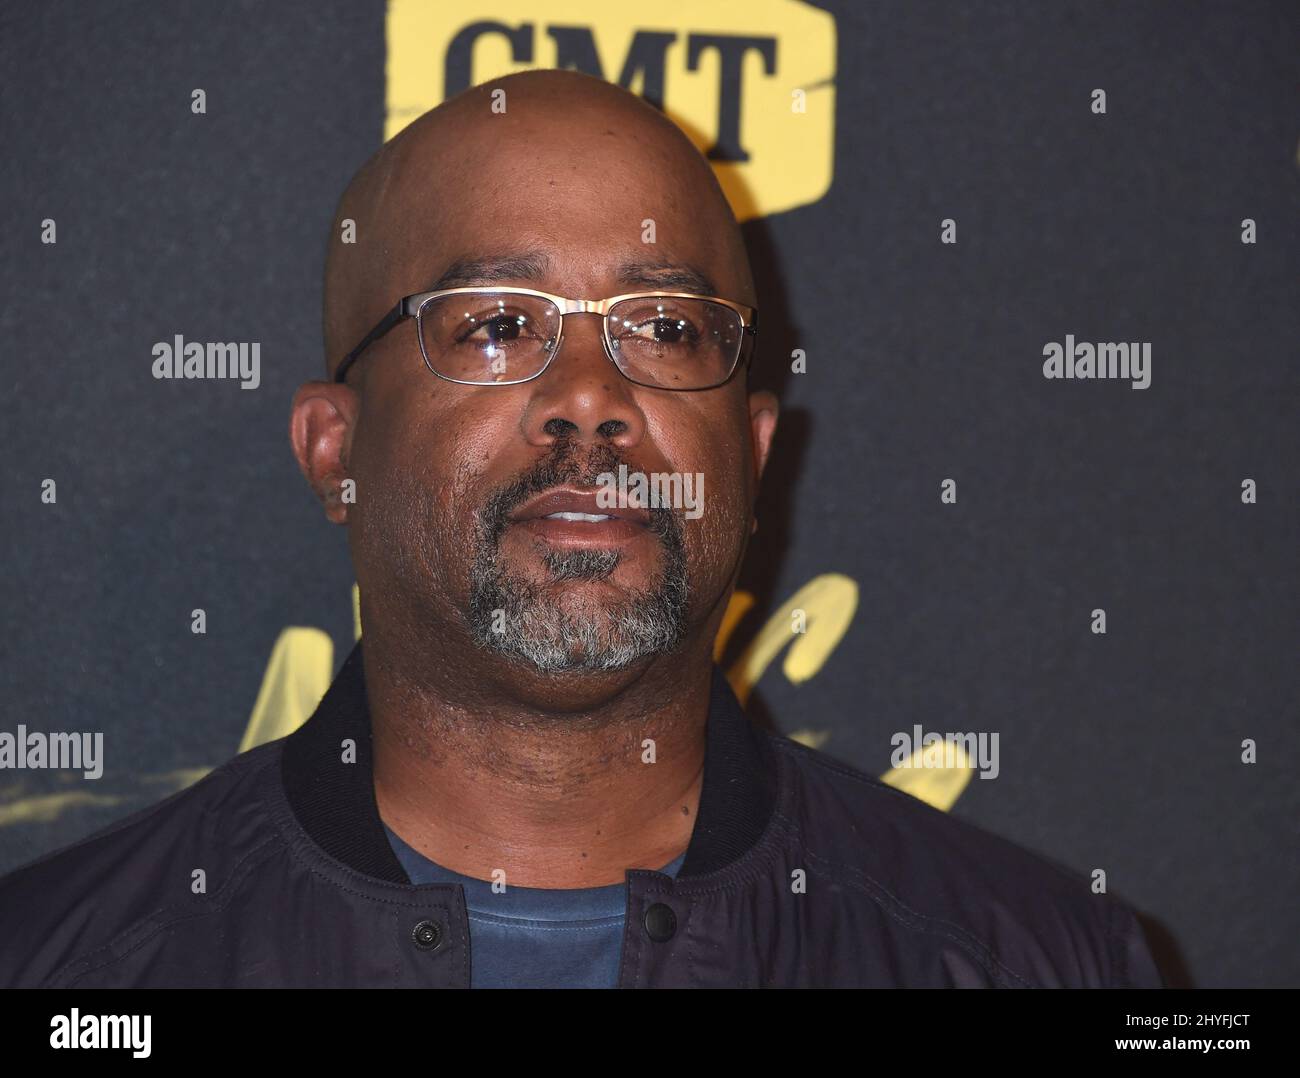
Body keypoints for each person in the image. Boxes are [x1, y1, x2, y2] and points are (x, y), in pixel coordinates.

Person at [0, 69, 1163, 988]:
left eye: (664, 326)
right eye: (498, 322)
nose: (591, 394)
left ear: (752, 456)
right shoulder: (61, 968)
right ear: (334, 452)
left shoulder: (1041, 964)